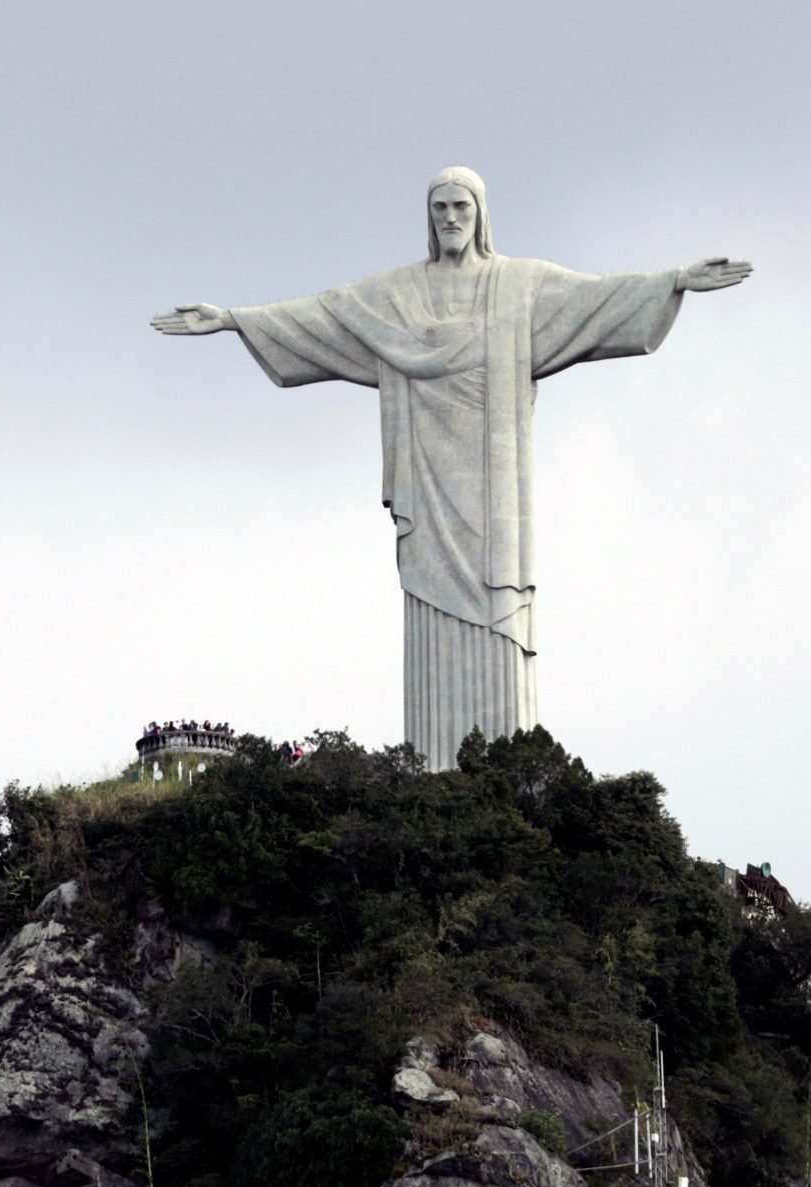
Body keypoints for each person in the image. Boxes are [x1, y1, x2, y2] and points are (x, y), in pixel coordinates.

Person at [152, 168, 750, 764]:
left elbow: (595, 296)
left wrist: (675, 281)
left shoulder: (519, 285)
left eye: (461, 206)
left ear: (481, 213)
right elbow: (325, 315)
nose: (450, 219)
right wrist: (234, 318)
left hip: (494, 498)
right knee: (430, 615)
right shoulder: (397, 295)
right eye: (439, 208)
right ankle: (432, 777)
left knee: (500, 613)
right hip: (428, 488)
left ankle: (502, 777)